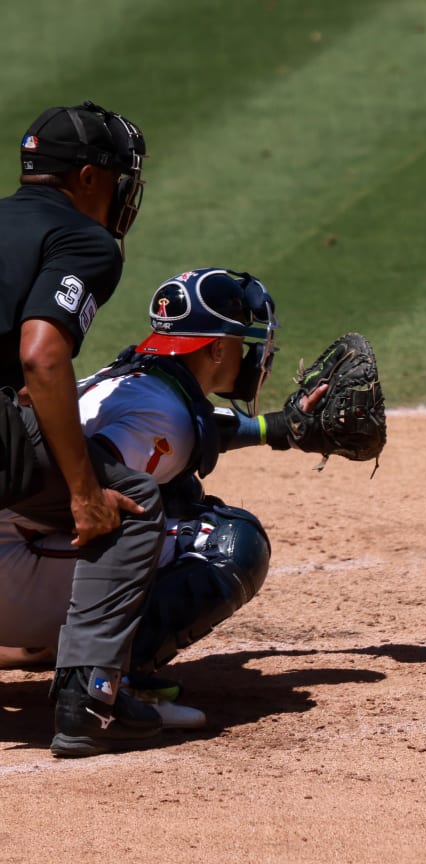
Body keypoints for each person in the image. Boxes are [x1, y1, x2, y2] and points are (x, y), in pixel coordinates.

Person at [0, 267, 292, 756]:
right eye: (241, 342)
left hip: (13, 551)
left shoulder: (130, 382)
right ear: (216, 349)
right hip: (13, 563)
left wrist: (275, 428)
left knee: (166, 505)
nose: (250, 355)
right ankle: (107, 685)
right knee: (224, 542)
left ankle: (40, 648)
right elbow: (82, 501)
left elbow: (178, 432)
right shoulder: (164, 416)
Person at [0, 102, 168, 754]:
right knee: (131, 503)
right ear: (91, 178)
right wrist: (83, 492)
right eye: (121, 177)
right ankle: (87, 699)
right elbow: (43, 354)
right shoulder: (85, 241)